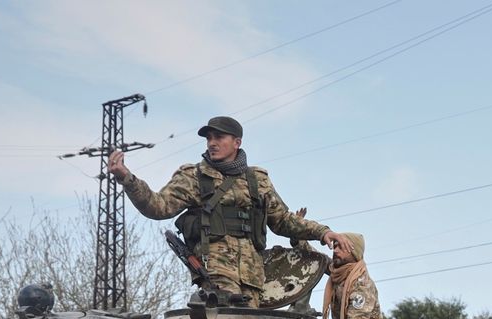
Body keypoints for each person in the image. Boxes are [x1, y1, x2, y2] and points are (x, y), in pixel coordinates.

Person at [107, 115, 343, 306]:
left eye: (219, 137)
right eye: (209, 138)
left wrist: (321, 232)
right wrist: (127, 179)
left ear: (237, 142)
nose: (212, 143)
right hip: (216, 274)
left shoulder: (257, 180)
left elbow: (282, 220)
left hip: (252, 277)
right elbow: (158, 207)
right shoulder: (194, 177)